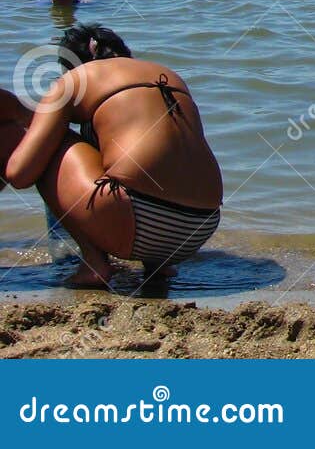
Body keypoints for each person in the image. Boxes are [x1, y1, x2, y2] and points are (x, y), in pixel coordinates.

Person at [1, 24, 224, 288]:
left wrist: (29, 124)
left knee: (46, 144)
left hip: (138, 224)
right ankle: (159, 266)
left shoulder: (74, 80)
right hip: (199, 231)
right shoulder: (169, 75)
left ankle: (94, 265)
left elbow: (20, 174)